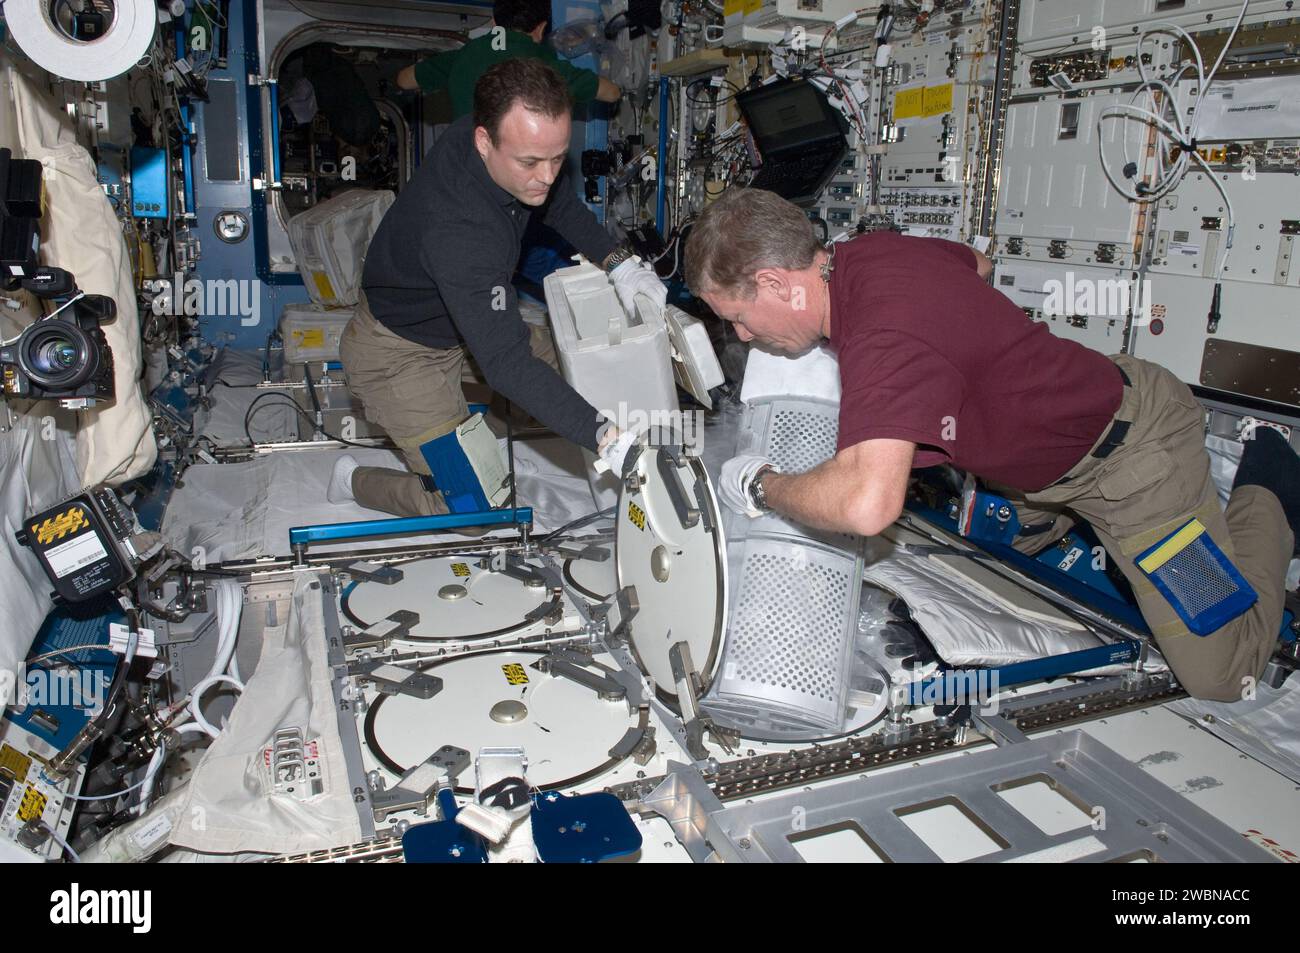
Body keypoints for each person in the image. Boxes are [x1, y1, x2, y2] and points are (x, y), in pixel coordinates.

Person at [685, 187, 1300, 703]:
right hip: (1043, 457)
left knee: (1222, 674)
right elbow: (972, 264)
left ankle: (1271, 482)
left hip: (1134, 463)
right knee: (986, 550)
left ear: (774, 280)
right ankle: (1047, 514)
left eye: (739, 317)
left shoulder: (881, 339)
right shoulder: (864, 255)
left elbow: (866, 505)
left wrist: (763, 486)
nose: (744, 336)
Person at [330, 59, 665, 517]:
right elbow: (507, 364)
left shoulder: (504, 133)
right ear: (483, 141)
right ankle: (353, 480)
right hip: (399, 354)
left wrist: (620, 262)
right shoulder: (460, 230)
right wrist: (603, 435)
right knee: (474, 508)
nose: (546, 176)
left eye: (556, 157)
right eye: (530, 162)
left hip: (463, 326)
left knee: (593, 371)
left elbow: (560, 205)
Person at [396, 0, 621, 118]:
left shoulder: (464, 55)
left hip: (464, 176)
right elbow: (612, 93)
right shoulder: (545, 67)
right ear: (541, 29)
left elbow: (404, 79)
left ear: (494, 21)